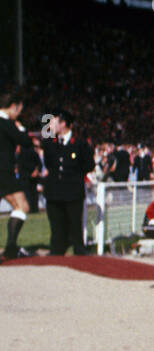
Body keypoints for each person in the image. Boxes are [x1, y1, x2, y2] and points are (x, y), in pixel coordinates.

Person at [41, 109, 96, 256]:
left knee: (74, 223)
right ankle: (57, 249)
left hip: (72, 189)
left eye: (53, 121)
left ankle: (79, 248)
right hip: (54, 190)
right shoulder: (49, 143)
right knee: (56, 224)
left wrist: (75, 175)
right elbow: (48, 163)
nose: (50, 124)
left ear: (63, 123)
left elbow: (89, 165)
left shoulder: (80, 144)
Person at [0, 91, 32, 260]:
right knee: (22, 206)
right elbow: (25, 141)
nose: (19, 113)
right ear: (13, 106)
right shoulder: (6, 123)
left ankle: (11, 247)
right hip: (3, 172)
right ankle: (11, 248)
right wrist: (20, 127)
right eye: (19, 110)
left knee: (20, 205)